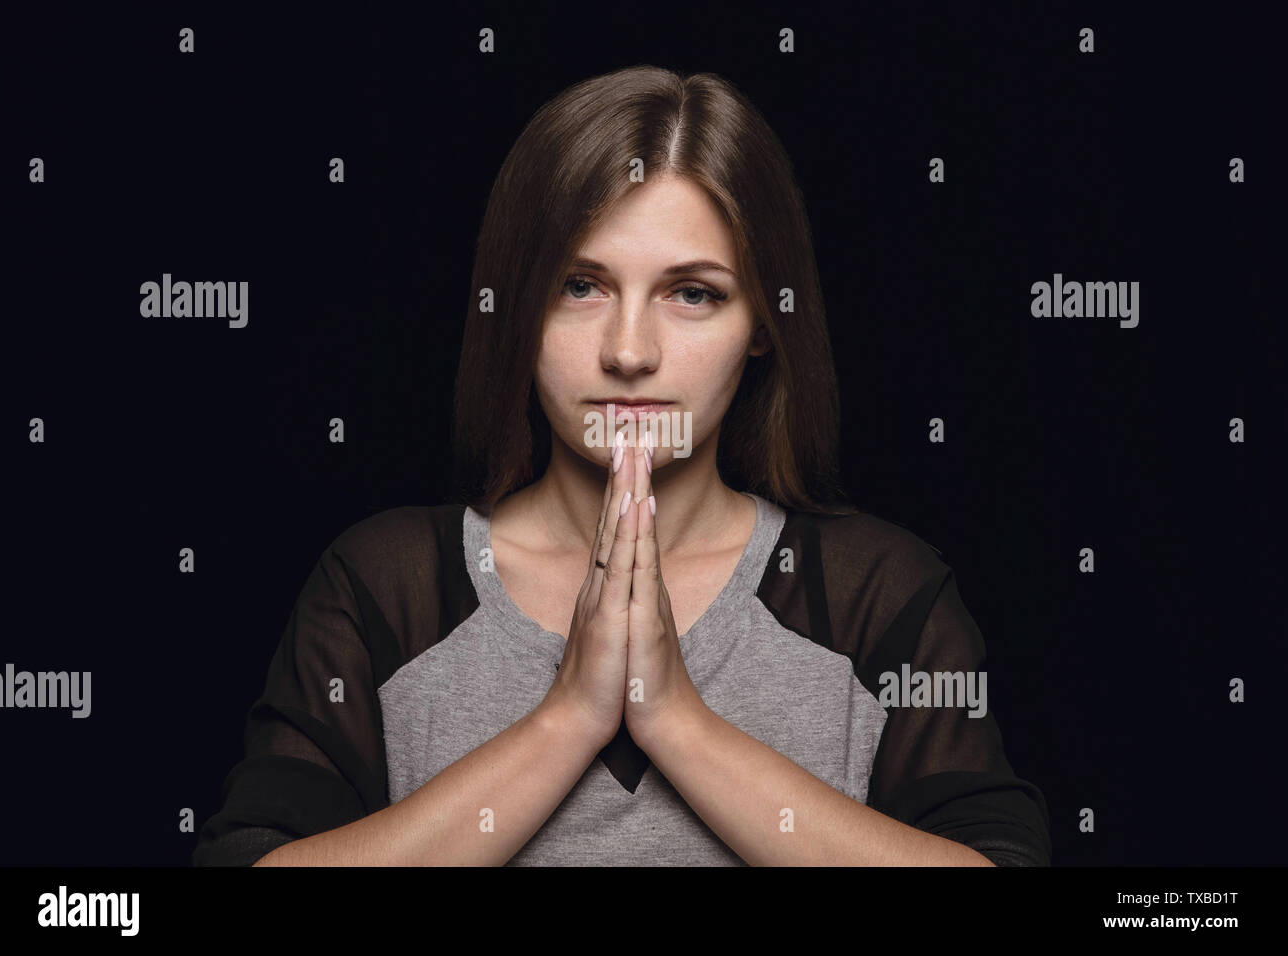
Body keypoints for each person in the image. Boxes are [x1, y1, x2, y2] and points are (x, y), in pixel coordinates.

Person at [193, 65, 1051, 866]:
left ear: (762, 324)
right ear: (516, 306)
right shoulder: (385, 585)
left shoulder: (878, 592)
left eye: (693, 293)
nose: (629, 351)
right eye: (580, 285)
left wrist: (675, 718)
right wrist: (568, 717)